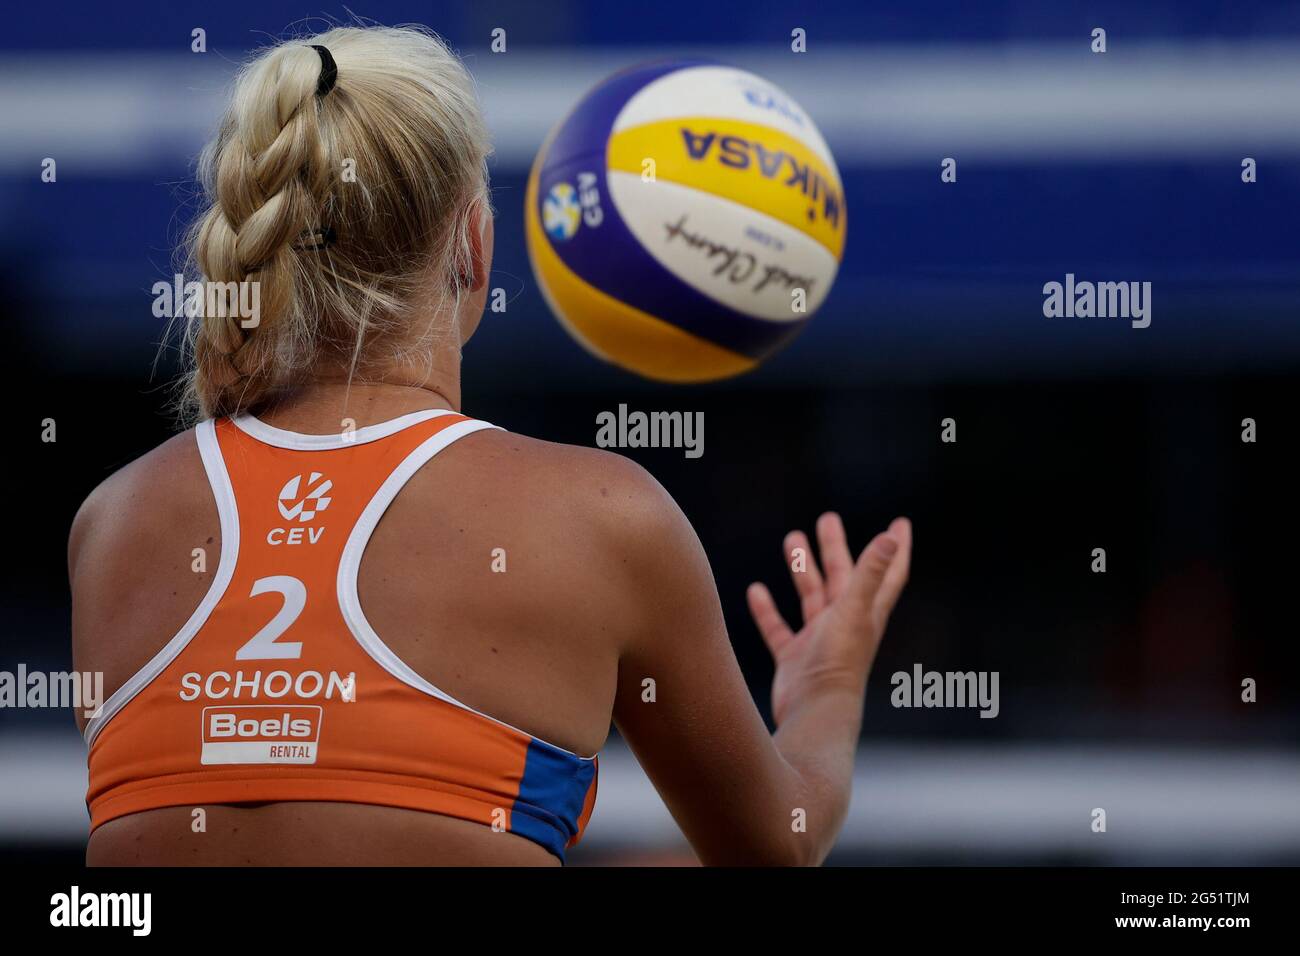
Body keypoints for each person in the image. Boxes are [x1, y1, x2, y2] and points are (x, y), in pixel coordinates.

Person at [69, 25, 911, 866]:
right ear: (474, 243)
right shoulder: (604, 519)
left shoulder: (112, 523)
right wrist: (825, 694)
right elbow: (778, 846)